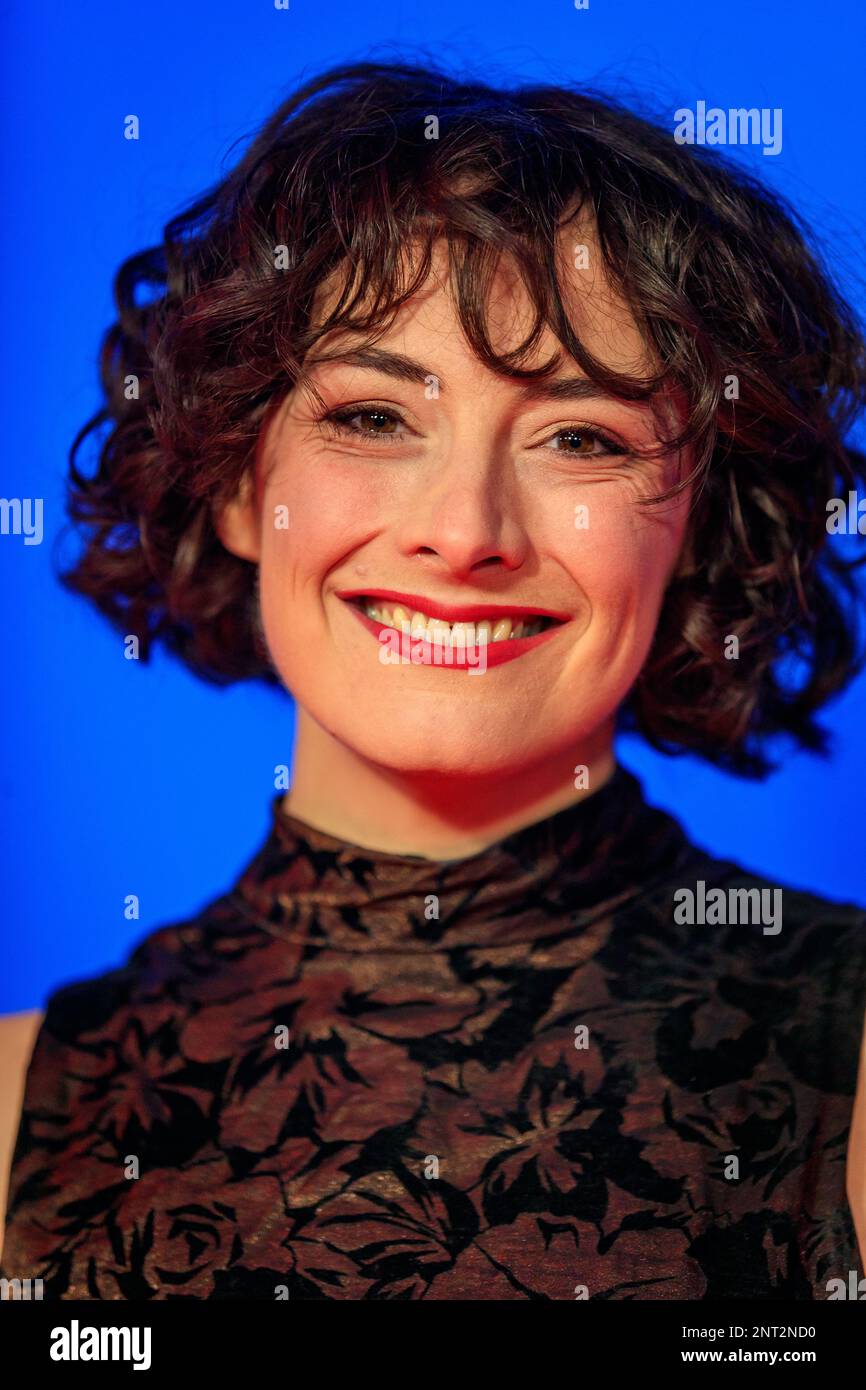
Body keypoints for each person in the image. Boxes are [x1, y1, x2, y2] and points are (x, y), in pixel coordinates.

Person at [1, 60, 865, 1300]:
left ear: (694, 526)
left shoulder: (846, 1065)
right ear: (238, 480)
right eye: (371, 417)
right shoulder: (17, 1110)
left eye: (582, 437)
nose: (464, 532)